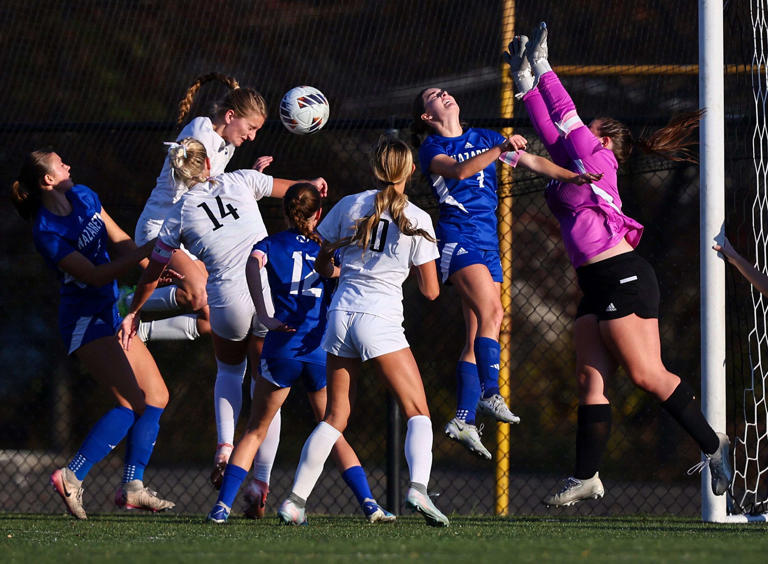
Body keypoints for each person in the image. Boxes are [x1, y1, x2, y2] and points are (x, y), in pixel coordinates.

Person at [505, 21, 732, 506]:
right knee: (591, 379)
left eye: (593, 128)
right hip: (595, 280)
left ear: (604, 141)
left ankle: (715, 446)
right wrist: (523, 85)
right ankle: (586, 475)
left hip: (621, 274)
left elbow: (563, 116)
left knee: (648, 375)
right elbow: (551, 128)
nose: (584, 127)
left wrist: (543, 68)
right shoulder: (579, 158)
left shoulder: (598, 159)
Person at [119, 137, 327, 494]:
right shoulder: (242, 180)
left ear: (177, 175)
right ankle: (259, 482)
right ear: (210, 164)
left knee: (230, 370)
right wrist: (313, 185)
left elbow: (152, 272)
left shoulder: (177, 213)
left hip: (227, 298)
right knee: (267, 385)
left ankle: (225, 447)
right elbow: (296, 192)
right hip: (267, 291)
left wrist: (135, 310)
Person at [412, 86, 601, 459]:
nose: (446, 94)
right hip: (458, 239)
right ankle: (490, 394)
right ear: (427, 116)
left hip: (488, 243)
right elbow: (461, 170)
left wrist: (571, 176)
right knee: (494, 313)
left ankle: (463, 419)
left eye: (446, 91)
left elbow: (532, 162)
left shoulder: (483, 136)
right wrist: (500, 148)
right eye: (435, 95)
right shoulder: (432, 150)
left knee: (477, 334)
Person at [277, 134, 449, 527]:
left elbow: (324, 266)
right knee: (417, 411)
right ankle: (418, 489)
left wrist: (340, 267)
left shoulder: (348, 205)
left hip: (340, 316)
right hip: (380, 319)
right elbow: (431, 291)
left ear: (375, 168)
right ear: (409, 171)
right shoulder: (418, 219)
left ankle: (295, 501)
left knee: (335, 417)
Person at [206, 183, 395, 524]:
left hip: (282, 346)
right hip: (320, 349)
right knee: (332, 428)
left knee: (255, 430)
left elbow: (253, 262)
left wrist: (264, 315)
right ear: (319, 213)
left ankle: (221, 509)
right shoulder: (329, 248)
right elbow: (343, 273)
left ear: (285, 211)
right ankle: (368, 503)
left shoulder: (271, 244)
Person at [10, 149, 175, 520]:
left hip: (110, 310)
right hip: (84, 320)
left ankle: (132, 487)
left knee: (157, 396)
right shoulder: (46, 232)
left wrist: (153, 266)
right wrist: (150, 250)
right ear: (47, 180)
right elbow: (95, 276)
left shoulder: (83, 195)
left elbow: (121, 242)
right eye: (59, 162)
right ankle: (71, 476)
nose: (68, 164)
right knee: (131, 403)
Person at [133, 74, 276, 483]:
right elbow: (199, 183)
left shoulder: (225, 144)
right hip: (161, 229)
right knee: (198, 293)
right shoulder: (199, 129)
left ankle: (142, 325)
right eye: (248, 128)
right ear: (229, 115)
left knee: (211, 315)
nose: (249, 137)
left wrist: (250, 171)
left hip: (185, 232)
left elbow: (213, 185)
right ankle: (130, 305)